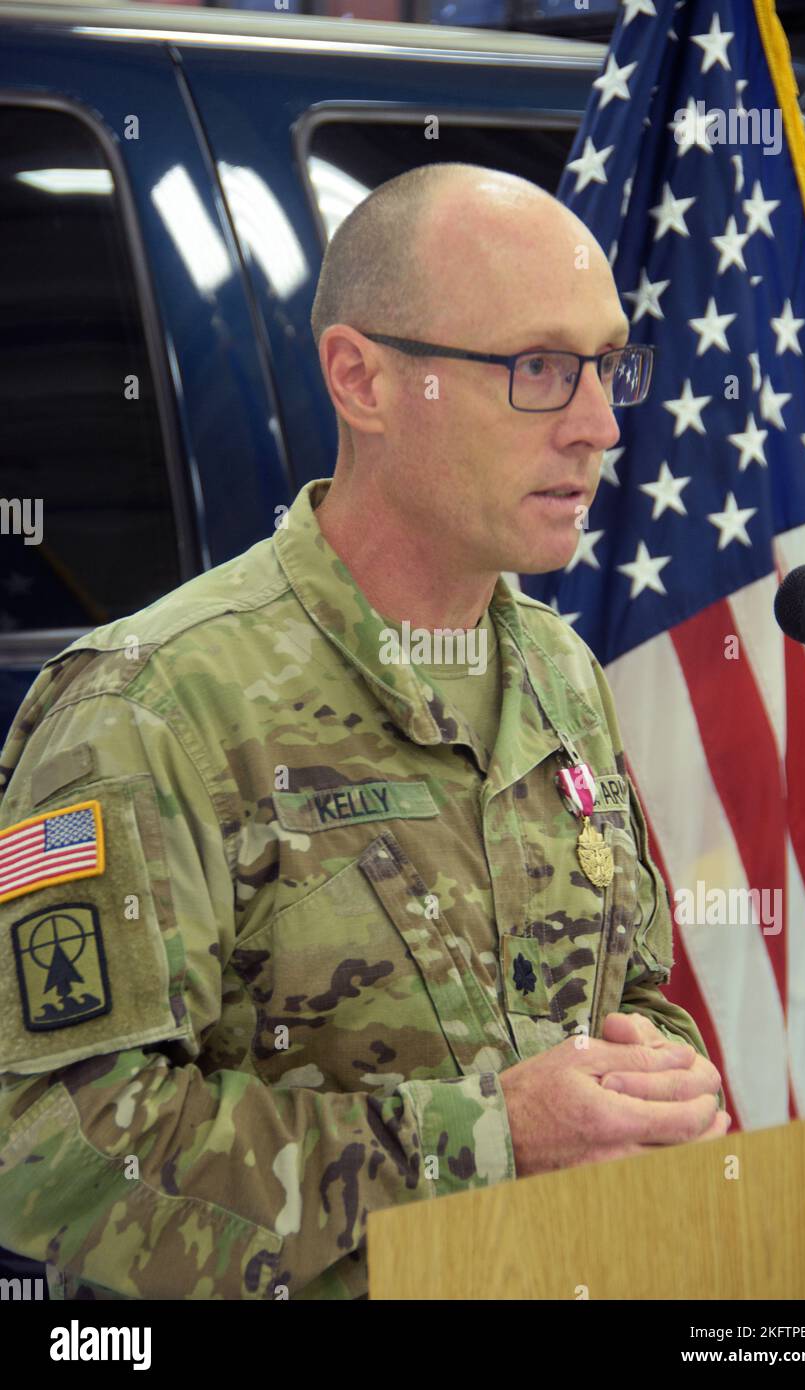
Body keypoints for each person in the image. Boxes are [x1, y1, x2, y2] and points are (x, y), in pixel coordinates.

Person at [0, 162, 728, 1301]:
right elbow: (54, 1153)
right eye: (537, 369)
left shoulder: (555, 672)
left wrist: (653, 1074)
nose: (597, 425)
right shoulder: (155, 708)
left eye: (607, 367)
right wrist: (485, 1140)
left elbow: (624, 989)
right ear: (363, 378)